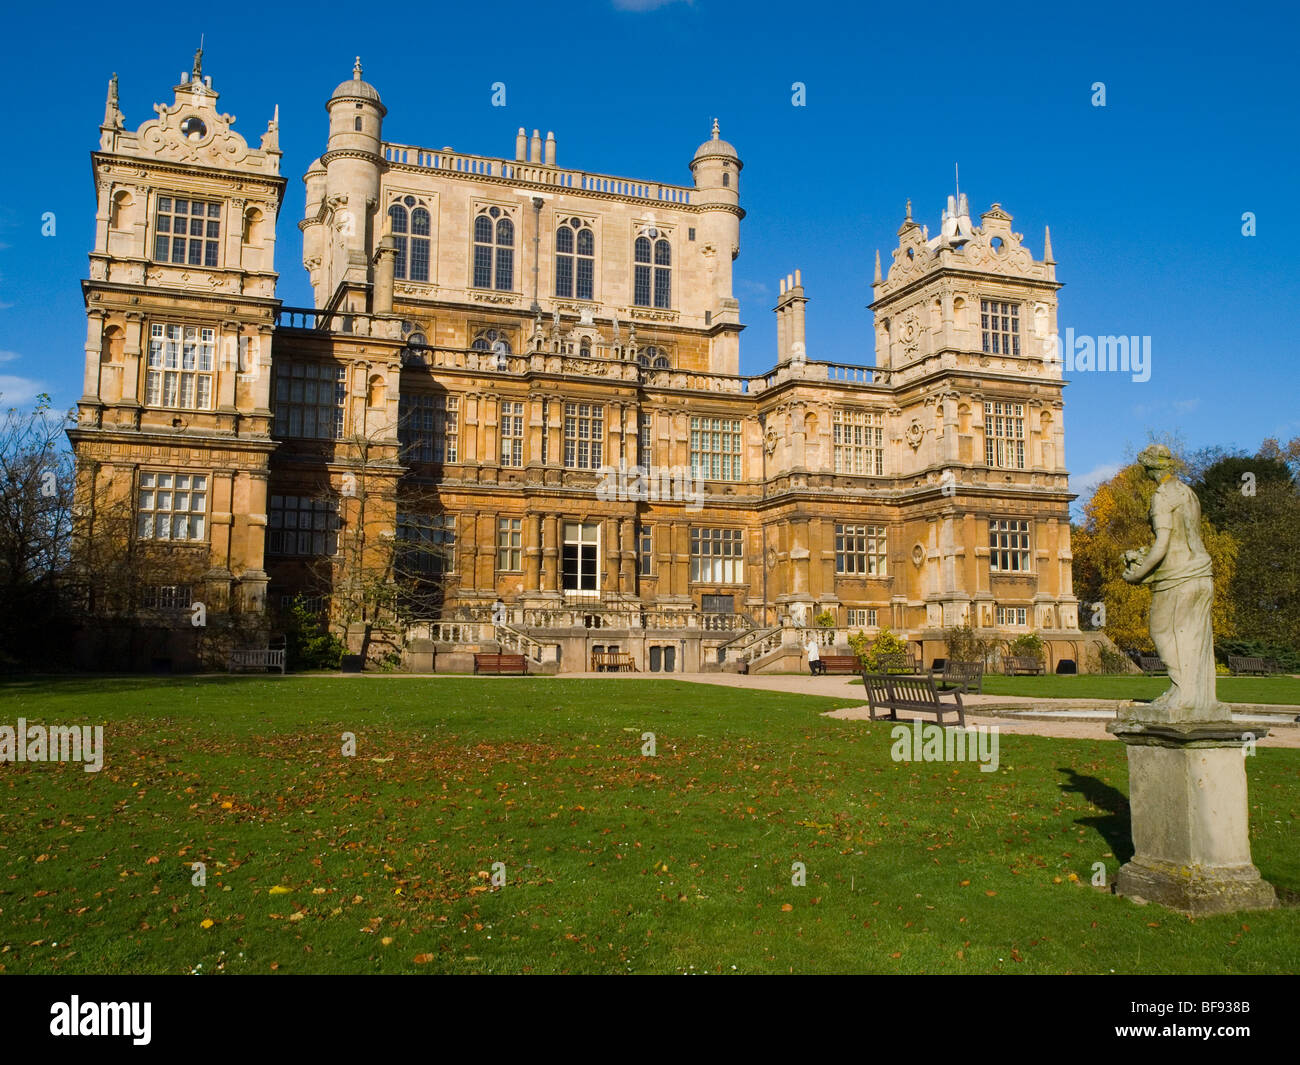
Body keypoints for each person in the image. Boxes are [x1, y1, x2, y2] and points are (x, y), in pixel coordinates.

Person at [1121, 444, 1226, 719]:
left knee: (1162, 630)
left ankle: (1182, 691)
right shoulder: (1188, 493)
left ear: (1149, 468)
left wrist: (1138, 572)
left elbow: (1163, 545)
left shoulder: (1162, 496)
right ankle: (1195, 696)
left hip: (1178, 576)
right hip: (1201, 572)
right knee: (1193, 636)